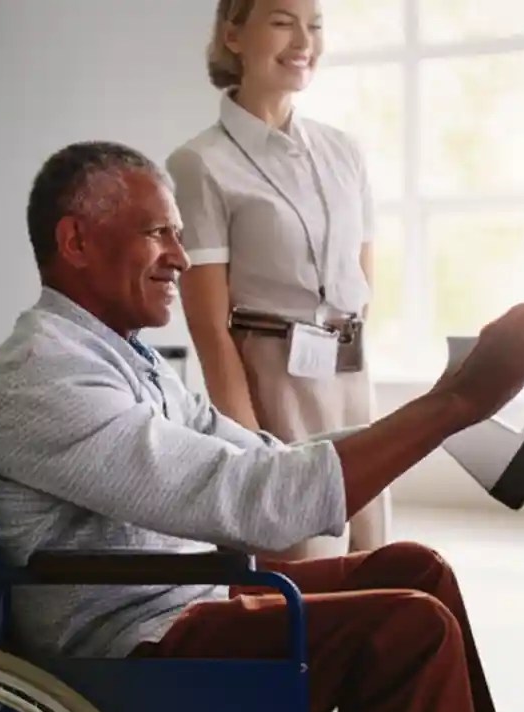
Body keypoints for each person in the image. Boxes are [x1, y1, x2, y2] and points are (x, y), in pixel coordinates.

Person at [0, 141, 524, 712]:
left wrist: (440, 403)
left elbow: (264, 458)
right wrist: (456, 403)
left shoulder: (120, 357)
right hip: (130, 643)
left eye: (179, 233)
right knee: (407, 629)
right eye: (157, 233)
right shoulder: (46, 378)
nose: (181, 256)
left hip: (182, 599)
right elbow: (256, 505)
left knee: (416, 570)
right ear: (77, 241)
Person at [168, 0, 389, 561]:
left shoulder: (346, 153)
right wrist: (251, 448)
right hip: (272, 387)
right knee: (301, 571)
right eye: (283, 22)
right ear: (234, 35)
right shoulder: (200, 163)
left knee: (374, 562)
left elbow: (361, 287)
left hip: (349, 380)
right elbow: (211, 331)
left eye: (314, 25)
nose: (304, 42)